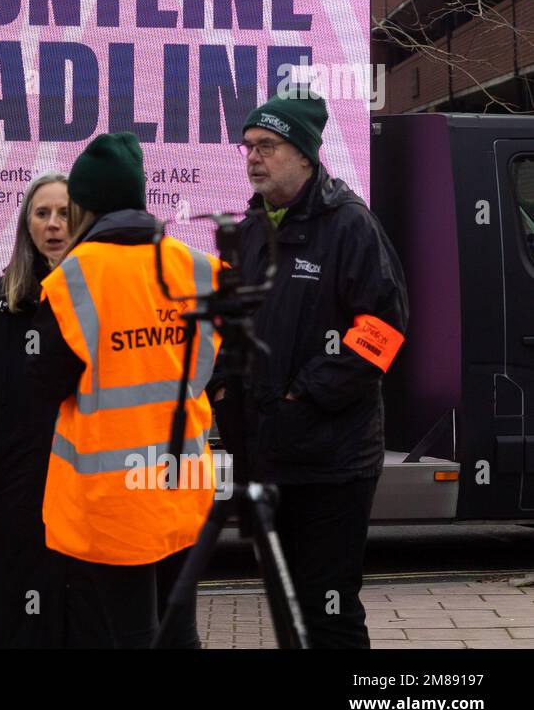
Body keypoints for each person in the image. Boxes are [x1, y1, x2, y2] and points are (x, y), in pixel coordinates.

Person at [210, 92, 408, 648]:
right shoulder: (246, 232)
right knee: (288, 608)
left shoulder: (350, 226)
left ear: (305, 154)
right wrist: (224, 389)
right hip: (265, 457)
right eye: (248, 147)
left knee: (328, 611)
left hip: (331, 462)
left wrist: (305, 394)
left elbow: (383, 333)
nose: (253, 157)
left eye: (267, 146)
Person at [28, 133, 221, 648]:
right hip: (185, 482)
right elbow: (220, 372)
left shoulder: (73, 279)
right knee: (179, 630)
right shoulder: (197, 268)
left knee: (131, 634)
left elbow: (44, 385)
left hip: (114, 498)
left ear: (85, 206)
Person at [0, 172, 71, 648]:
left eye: (65, 213)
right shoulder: (2, 298)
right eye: (41, 213)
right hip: (19, 487)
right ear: (26, 224)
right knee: (16, 619)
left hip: (83, 483)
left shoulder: (99, 294)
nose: (53, 224)